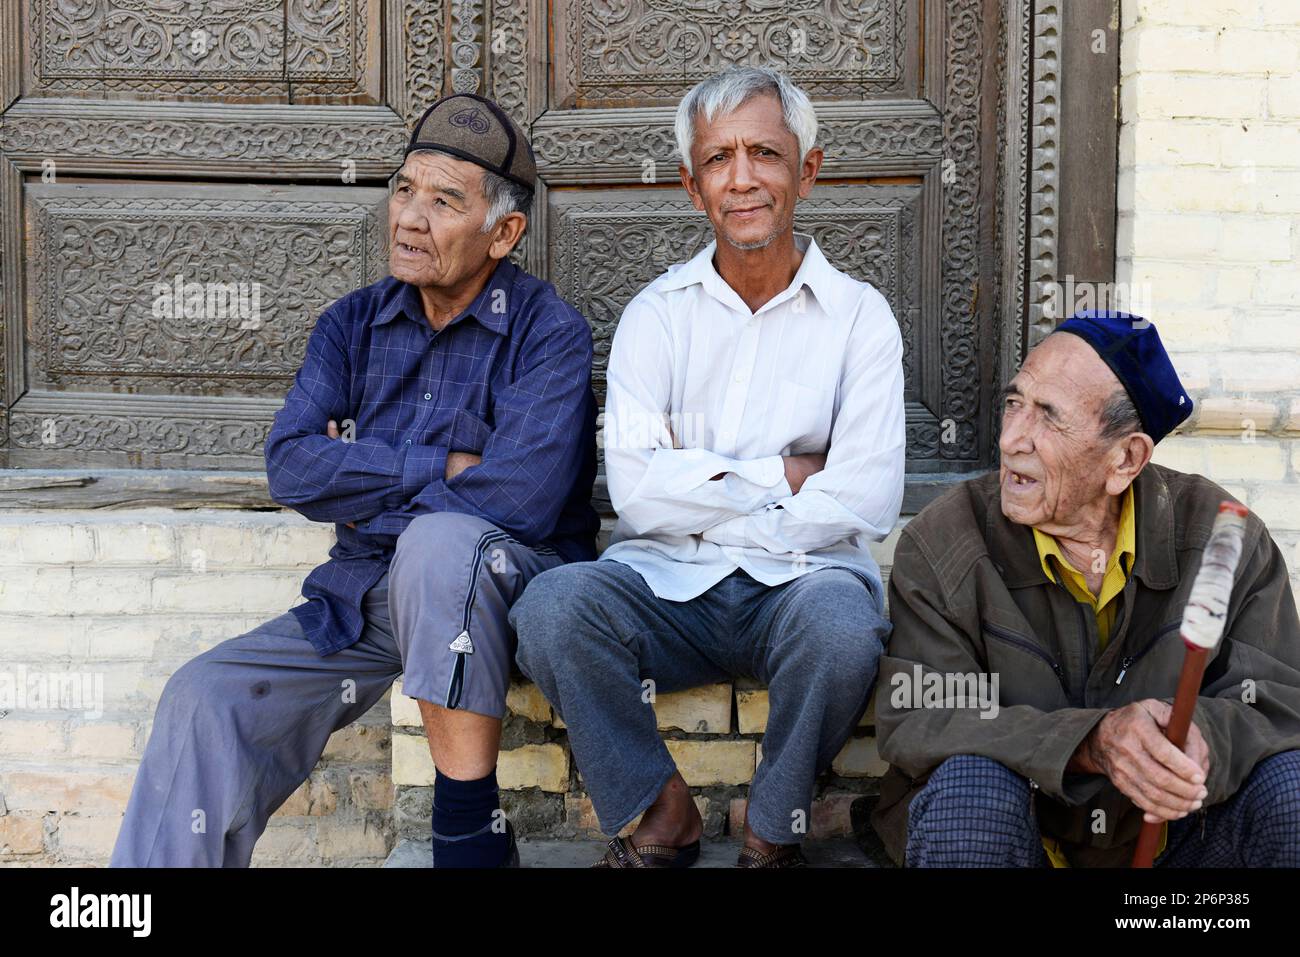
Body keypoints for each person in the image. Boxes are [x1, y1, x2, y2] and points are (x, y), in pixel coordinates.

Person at [110, 93, 598, 868]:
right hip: (364, 596)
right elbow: (292, 464)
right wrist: (434, 464)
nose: (408, 217)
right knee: (203, 694)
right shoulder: (350, 324)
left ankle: (467, 837)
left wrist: (363, 476)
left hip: (504, 589)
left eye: (443, 201)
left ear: (503, 232)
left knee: (441, 546)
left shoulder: (549, 332)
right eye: (404, 189)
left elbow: (523, 498)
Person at [510, 66, 905, 869]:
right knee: (551, 605)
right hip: (665, 583)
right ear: (693, 187)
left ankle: (771, 825)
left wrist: (705, 481)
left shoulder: (861, 317)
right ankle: (661, 813)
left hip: (802, 582)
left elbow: (867, 494)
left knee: (843, 628)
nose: (744, 177)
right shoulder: (657, 316)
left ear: (808, 170)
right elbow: (637, 491)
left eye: (765, 151)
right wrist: (786, 474)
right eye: (719, 158)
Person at [873, 311, 1300, 867]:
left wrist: (1205, 741)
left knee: (1290, 789)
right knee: (969, 790)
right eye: (1013, 404)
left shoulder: (1220, 535)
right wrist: (1091, 742)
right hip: (1015, 838)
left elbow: (1280, 703)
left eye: (1048, 418)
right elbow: (921, 717)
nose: (1009, 439)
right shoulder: (946, 537)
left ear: (1126, 458)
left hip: (1174, 847)